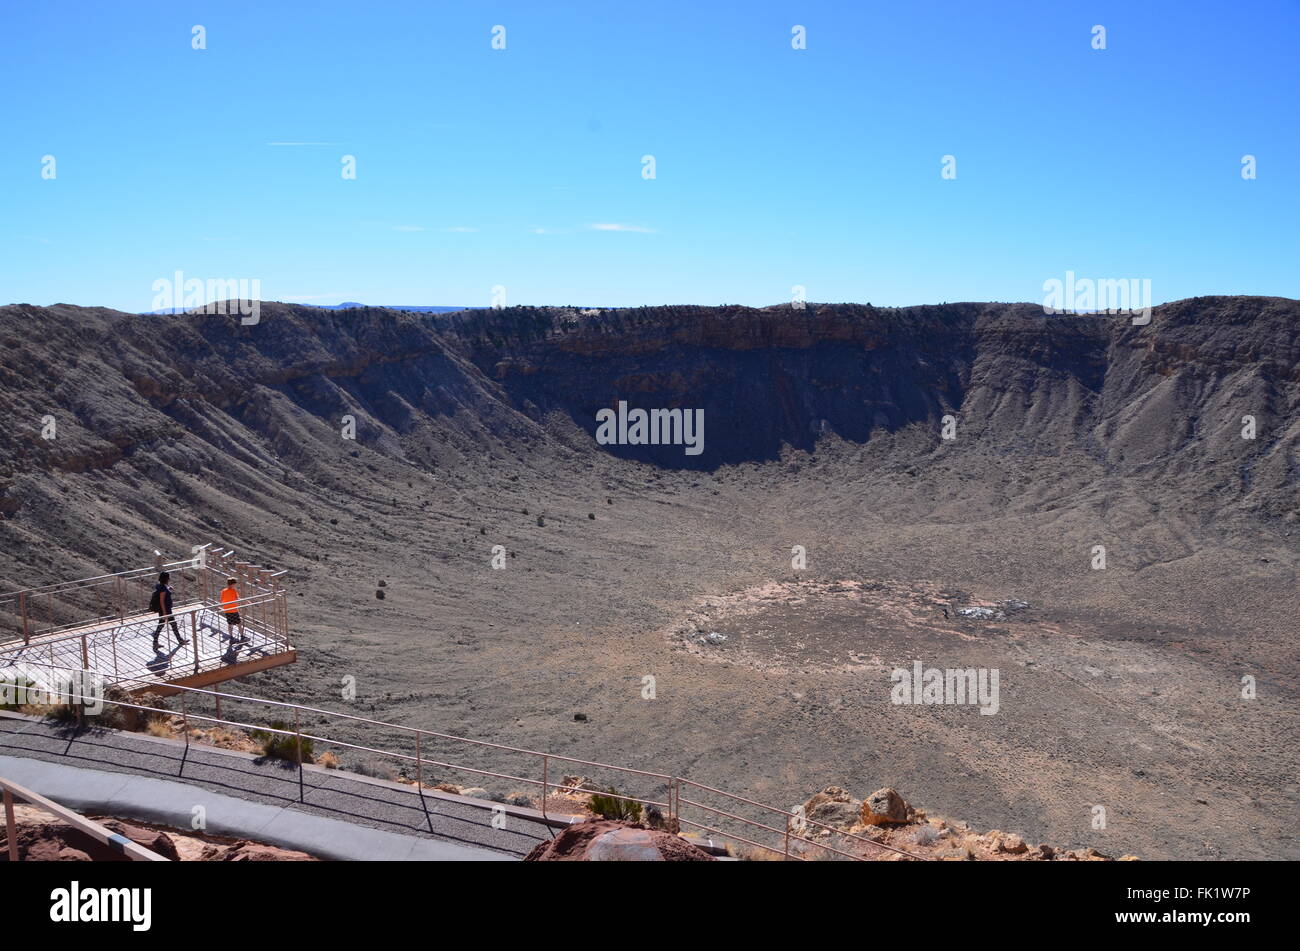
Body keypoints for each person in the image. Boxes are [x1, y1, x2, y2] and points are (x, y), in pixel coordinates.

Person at [150, 571, 187, 651]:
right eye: (168, 577)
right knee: (170, 625)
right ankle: (180, 640)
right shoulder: (163, 588)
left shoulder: (160, 585)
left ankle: (155, 643)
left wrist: (169, 588)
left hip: (165, 610)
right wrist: (164, 613)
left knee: (163, 625)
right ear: (166, 579)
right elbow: (162, 601)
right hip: (166, 610)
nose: (169, 579)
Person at [219, 578, 247, 643]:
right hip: (233, 610)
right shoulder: (233, 590)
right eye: (234, 584)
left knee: (230, 624)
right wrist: (245, 601)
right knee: (239, 623)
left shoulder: (223, 591)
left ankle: (231, 637)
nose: (235, 585)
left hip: (227, 610)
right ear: (232, 584)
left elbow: (222, 600)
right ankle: (242, 636)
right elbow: (237, 599)